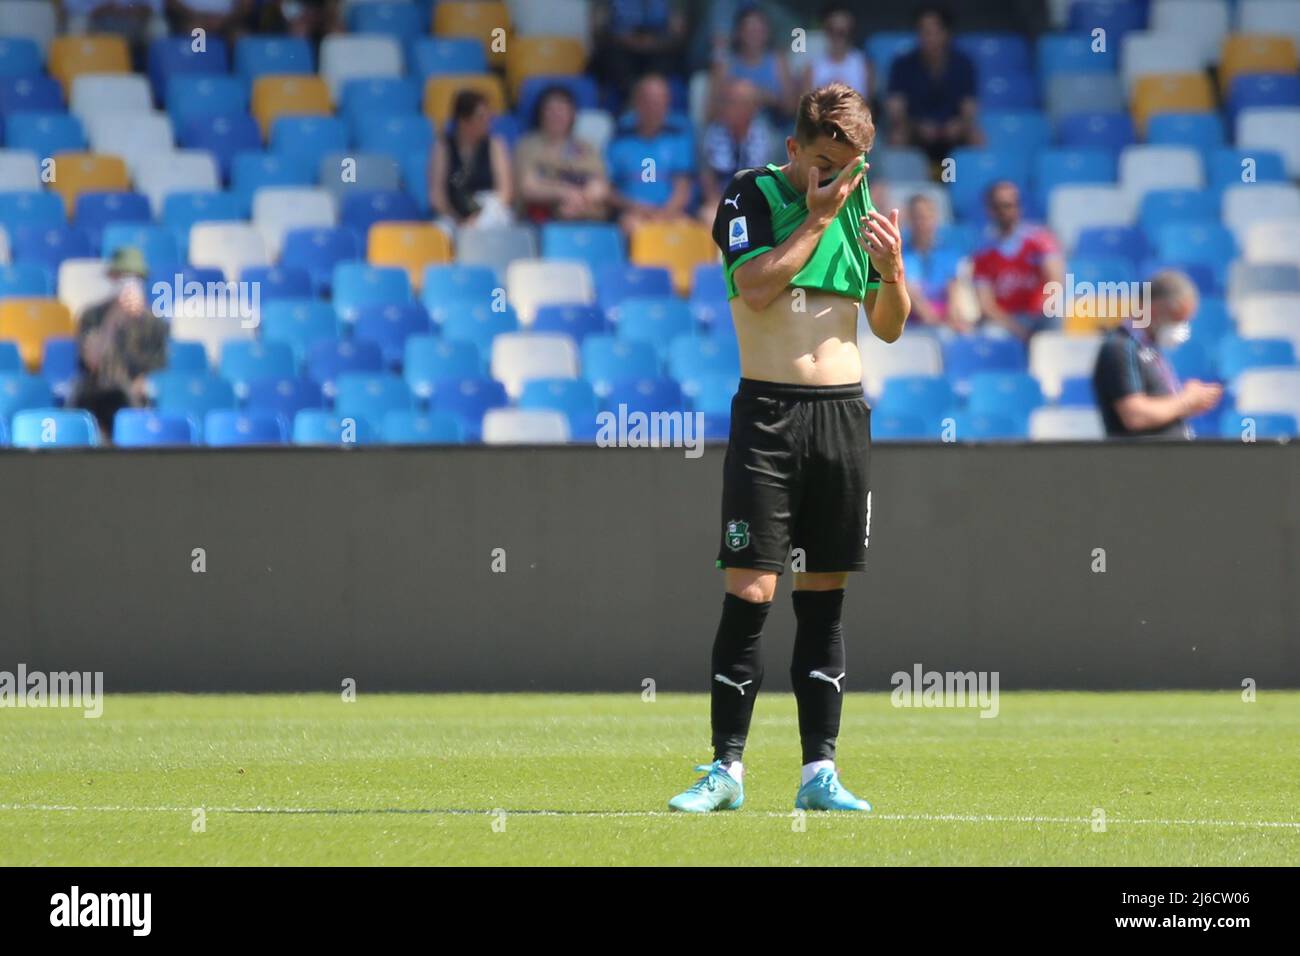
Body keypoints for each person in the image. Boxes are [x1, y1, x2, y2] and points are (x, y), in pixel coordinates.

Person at [667, 83, 910, 813]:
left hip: (840, 417)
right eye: (824, 164)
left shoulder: (857, 207)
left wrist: (895, 273)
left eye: (850, 168)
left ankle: (819, 775)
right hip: (768, 415)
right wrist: (813, 216)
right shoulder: (749, 196)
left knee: (824, 599)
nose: (836, 180)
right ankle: (726, 771)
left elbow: (890, 327)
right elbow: (756, 287)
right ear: (793, 150)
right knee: (750, 591)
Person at [1092, 270, 1223, 439]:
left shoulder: (1149, 348)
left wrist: (1188, 400)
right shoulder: (1121, 347)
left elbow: (1164, 407)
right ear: (1152, 310)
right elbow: (1135, 415)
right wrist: (1187, 400)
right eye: (1177, 319)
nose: (1181, 328)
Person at [72, 248, 169, 439]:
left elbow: (157, 369)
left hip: (132, 399)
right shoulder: (92, 315)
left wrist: (138, 386)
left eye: (134, 278)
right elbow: (92, 361)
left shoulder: (155, 324)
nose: (128, 284)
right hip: (95, 394)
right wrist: (112, 321)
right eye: (122, 277)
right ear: (112, 279)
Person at [884, 5, 981, 163]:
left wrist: (959, 124)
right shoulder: (902, 65)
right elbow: (896, 111)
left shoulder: (963, 64)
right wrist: (916, 126)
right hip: (916, 131)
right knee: (897, 136)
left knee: (976, 137)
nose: (930, 38)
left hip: (952, 132)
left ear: (947, 33)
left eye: (935, 32)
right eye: (924, 32)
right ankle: (902, 185)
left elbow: (969, 108)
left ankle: (965, 182)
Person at [971, 180, 1064, 340]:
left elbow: (1055, 281)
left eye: (1010, 205)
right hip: (1006, 321)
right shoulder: (983, 252)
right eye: (998, 206)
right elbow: (986, 305)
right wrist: (1018, 330)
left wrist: (1039, 313)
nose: (1005, 211)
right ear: (990, 210)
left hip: (1038, 316)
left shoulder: (1040, 240)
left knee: (1055, 316)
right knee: (990, 334)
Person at [606, 74, 693, 232]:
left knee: (690, 230)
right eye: (649, 100)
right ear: (637, 103)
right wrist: (636, 207)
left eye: (661, 100)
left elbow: (683, 187)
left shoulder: (678, 139)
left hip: (670, 213)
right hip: (632, 215)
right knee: (633, 227)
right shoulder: (620, 141)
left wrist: (663, 214)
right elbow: (609, 190)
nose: (655, 105)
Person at [515, 85, 610, 224]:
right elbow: (528, 188)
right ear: (541, 113)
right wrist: (565, 193)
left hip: (585, 214)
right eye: (551, 110)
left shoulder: (586, 147)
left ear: (572, 114)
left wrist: (579, 202)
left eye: (562, 110)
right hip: (540, 219)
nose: (556, 115)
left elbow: (601, 187)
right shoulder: (527, 146)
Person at [429, 89, 513, 232]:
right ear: (463, 121)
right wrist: (458, 219)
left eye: (489, 117)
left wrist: (481, 217)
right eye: (481, 117)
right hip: (454, 211)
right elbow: (437, 197)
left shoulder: (495, 145)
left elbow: (506, 192)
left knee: (500, 217)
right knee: (440, 230)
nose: (487, 123)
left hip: (488, 208)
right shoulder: (443, 148)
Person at [697, 78, 778, 220]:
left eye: (738, 103)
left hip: (759, 202)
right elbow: (707, 177)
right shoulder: (709, 135)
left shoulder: (770, 139)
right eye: (728, 102)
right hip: (721, 200)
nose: (730, 108)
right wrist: (719, 202)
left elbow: (774, 180)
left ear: (752, 107)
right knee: (709, 215)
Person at [591, 0, 688, 103]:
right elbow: (599, 29)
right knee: (609, 56)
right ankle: (635, 99)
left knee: (672, 57)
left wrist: (653, 42)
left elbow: (678, 32)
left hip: (658, 48)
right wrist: (627, 39)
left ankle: (653, 98)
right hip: (622, 46)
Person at [709, 6, 796, 121]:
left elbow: (792, 107)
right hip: (734, 127)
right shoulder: (725, 65)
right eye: (749, 30)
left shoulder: (778, 61)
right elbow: (711, 112)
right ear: (738, 33)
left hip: (773, 126)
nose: (754, 35)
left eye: (759, 30)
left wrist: (769, 98)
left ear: (767, 32)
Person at [902, 193, 968, 332]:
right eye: (917, 217)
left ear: (935, 219)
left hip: (947, 321)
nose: (922, 223)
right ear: (909, 220)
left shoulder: (949, 255)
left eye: (927, 217)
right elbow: (915, 300)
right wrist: (941, 324)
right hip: (913, 326)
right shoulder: (900, 258)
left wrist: (952, 321)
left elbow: (953, 297)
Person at [799, 4, 870, 100]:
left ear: (851, 31)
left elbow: (869, 108)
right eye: (832, 30)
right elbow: (805, 108)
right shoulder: (812, 68)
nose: (837, 37)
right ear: (825, 31)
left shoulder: (863, 65)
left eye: (842, 32)